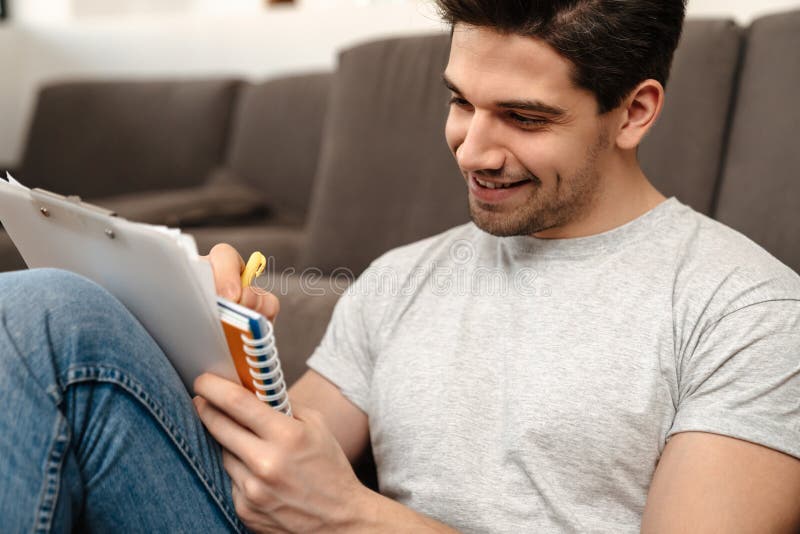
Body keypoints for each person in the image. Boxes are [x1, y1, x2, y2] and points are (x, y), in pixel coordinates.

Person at [1, 0, 799, 532]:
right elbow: (283, 464)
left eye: (523, 118)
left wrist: (354, 516)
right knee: (51, 312)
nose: (473, 149)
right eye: (460, 102)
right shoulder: (400, 278)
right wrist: (208, 341)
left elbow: (330, 505)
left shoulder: (748, 310)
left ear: (635, 111)